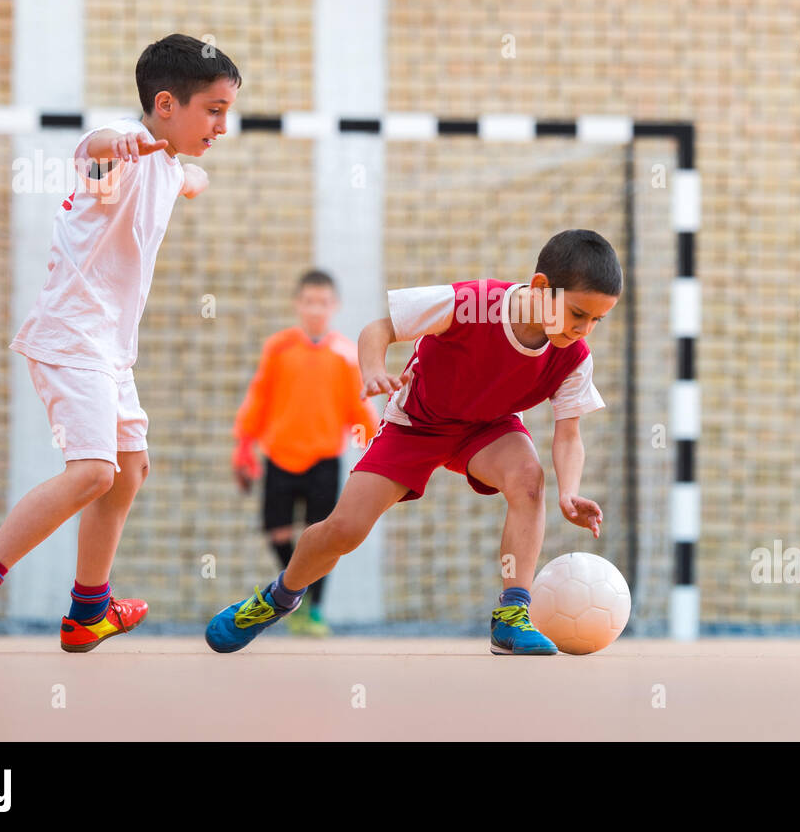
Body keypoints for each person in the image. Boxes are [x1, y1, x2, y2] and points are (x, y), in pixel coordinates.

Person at [0, 34, 240, 652]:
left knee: (128, 471)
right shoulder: (120, 153)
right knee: (95, 470)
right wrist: (115, 146)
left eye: (227, 112)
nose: (222, 125)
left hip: (110, 352)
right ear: (166, 105)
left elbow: (185, 177)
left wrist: (192, 174)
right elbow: (95, 155)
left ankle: (88, 609)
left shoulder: (168, 163)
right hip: (72, 339)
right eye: (213, 110)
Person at [206, 229, 621, 655]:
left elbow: (568, 434)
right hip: (416, 423)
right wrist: (371, 371)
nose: (584, 330)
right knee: (344, 531)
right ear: (539, 288)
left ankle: (511, 615)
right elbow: (379, 329)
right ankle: (278, 598)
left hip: (486, 428)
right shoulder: (469, 303)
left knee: (529, 480)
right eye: (577, 314)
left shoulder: (573, 357)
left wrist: (569, 492)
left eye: (596, 320)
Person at [232, 269, 378, 635]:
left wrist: (374, 448)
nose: (315, 308)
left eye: (323, 302)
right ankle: (295, 591)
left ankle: (311, 609)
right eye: (308, 301)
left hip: (325, 459)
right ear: (298, 304)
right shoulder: (278, 348)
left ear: (334, 306)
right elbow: (258, 398)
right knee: (278, 532)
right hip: (279, 454)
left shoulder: (345, 355)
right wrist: (244, 446)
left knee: (324, 537)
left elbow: (359, 409)